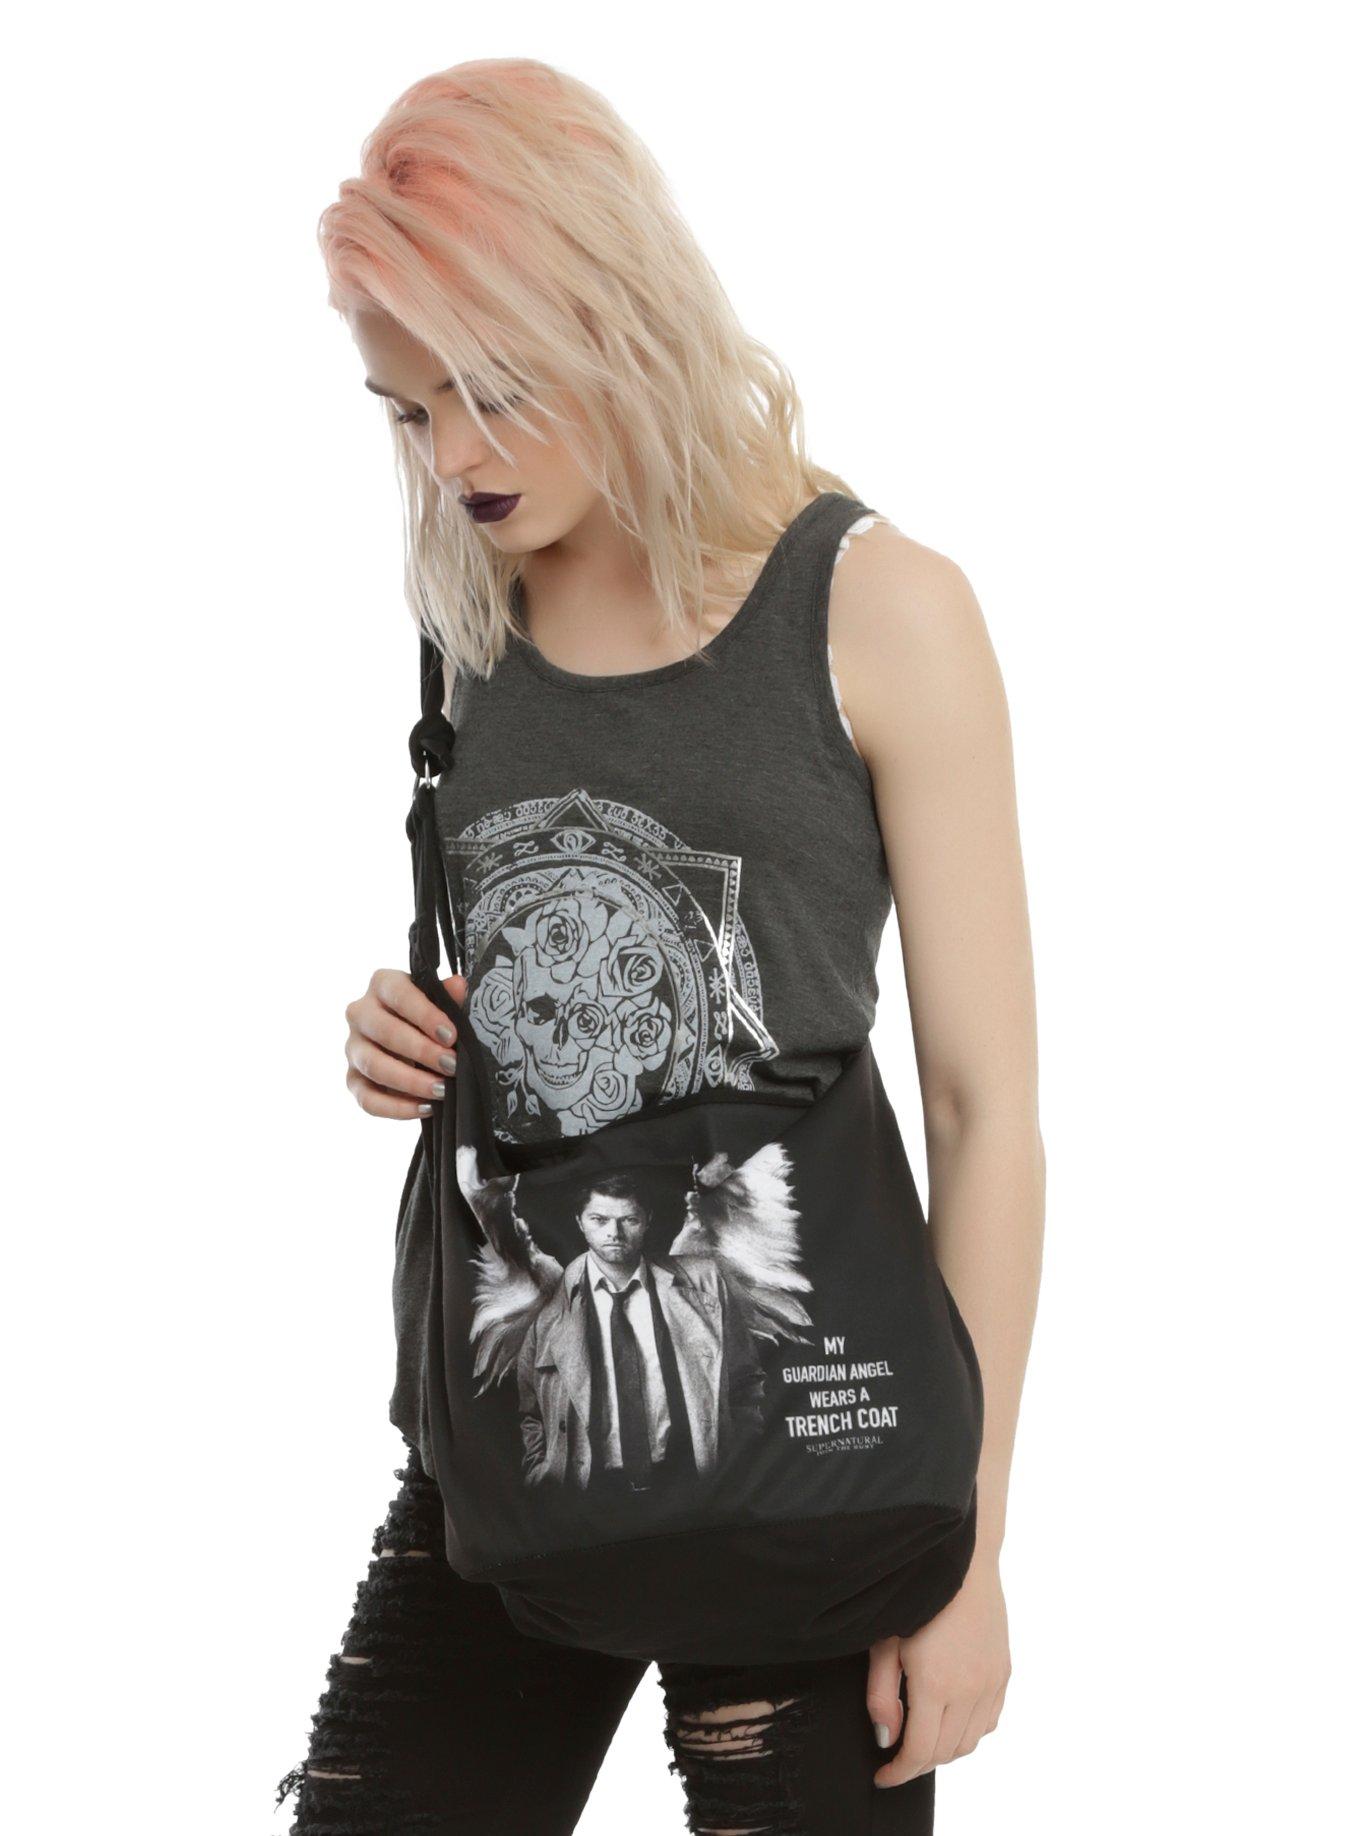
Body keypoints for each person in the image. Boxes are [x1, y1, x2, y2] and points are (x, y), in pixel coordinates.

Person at [279, 55, 1045, 1836]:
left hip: (816, 1443)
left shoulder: (880, 610)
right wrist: (410, 1029)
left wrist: (969, 1544)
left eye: (491, 392)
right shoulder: (471, 609)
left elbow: (986, 1109)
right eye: (405, 410)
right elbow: (530, 987)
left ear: (616, 317)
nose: (454, 460)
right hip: (518, 1424)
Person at [516, 1171, 767, 1493]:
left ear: (648, 1220)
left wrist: (739, 1465)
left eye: (629, 1220)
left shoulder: (704, 1285)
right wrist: (540, 1470)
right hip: (592, 1494)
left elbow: (745, 1382)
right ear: (580, 1222)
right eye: (599, 1220)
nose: (614, 1233)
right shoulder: (549, 1307)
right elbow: (531, 1412)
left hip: (690, 1484)